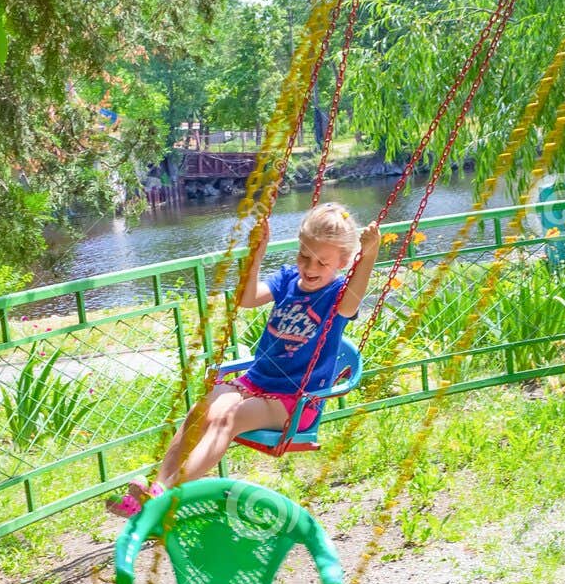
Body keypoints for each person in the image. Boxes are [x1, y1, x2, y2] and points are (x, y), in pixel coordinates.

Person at [107, 203, 380, 516]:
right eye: (304, 256)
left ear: (343, 262)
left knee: (228, 419)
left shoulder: (337, 294)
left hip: (295, 400)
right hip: (256, 382)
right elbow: (246, 299)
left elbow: (349, 308)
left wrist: (369, 255)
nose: (310, 267)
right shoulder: (288, 279)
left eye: (322, 262)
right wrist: (256, 255)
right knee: (202, 410)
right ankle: (155, 488)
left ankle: (165, 496)